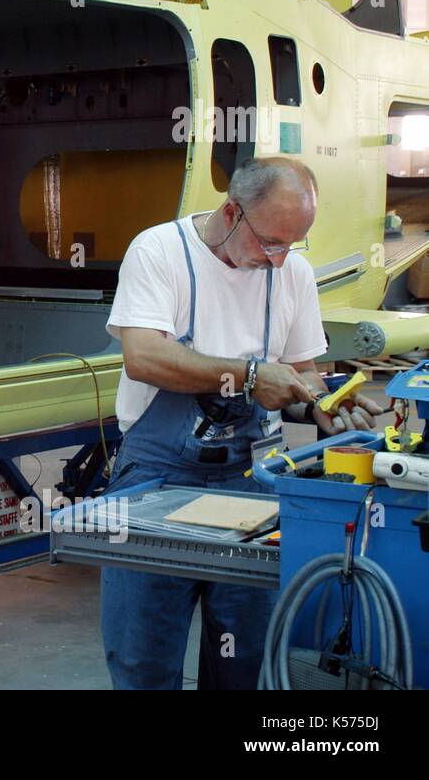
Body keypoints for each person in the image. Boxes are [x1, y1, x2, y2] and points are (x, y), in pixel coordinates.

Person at [100, 157, 382, 689]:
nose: (279, 261)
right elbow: (144, 357)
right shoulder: (161, 252)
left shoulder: (290, 272)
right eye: (271, 243)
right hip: (160, 476)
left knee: (244, 659)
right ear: (231, 212)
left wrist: (326, 405)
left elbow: (302, 373)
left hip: (254, 482)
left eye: (291, 246)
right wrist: (252, 377)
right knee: (144, 655)